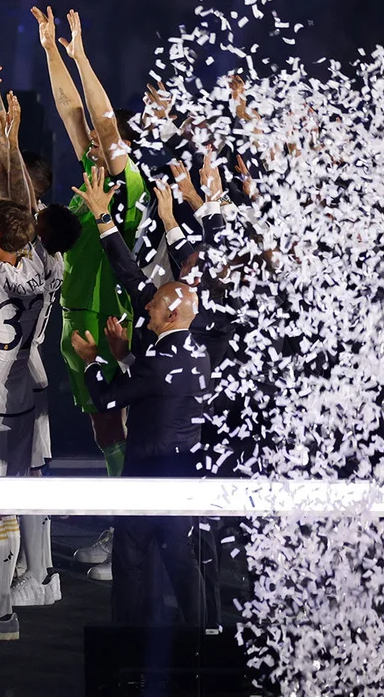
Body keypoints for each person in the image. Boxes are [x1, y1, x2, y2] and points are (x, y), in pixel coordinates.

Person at [71, 165, 220, 628]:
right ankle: (204, 635)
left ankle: (129, 644)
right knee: (179, 557)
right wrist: (104, 219)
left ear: (173, 311)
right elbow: (131, 275)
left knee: (135, 561)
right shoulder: (198, 346)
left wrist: (97, 359)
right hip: (182, 471)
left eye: (155, 303)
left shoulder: (161, 359)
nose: (146, 302)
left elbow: (110, 398)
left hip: (149, 471)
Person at [31, 7, 149, 580]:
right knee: (105, 428)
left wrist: (82, 56)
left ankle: (131, 534)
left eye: (110, 144)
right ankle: (126, 526)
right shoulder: (91, 176)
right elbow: (72, 113)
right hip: (78, 317)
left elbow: (97, 119)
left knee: (119, 422)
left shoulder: (126, 187)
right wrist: (53, 49)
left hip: (111, 322)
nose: (98, 147)